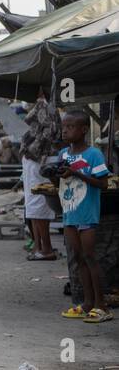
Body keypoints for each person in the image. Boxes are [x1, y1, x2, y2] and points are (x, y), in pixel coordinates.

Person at [58, 109, 112, 323]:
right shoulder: (63, 154)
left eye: (70, 127)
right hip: (69, 212)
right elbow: (61, 182)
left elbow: (103, 183)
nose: (65, 131)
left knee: (90, 257)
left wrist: (77, 173)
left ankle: (102, 306)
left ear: (84, 130)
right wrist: (54, 174)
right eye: (63, 127)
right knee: (78, 258)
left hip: (87, 213)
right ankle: (87, 303)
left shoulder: (94, 154)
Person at [21, 90, 62, 261]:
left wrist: (35, 153)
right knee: (35, 204)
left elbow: (45, 135)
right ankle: (40, 246)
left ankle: (45, 248)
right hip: (38, 158)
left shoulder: (44, 106)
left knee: (38, 203)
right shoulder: (45, 106)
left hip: (39, 159)